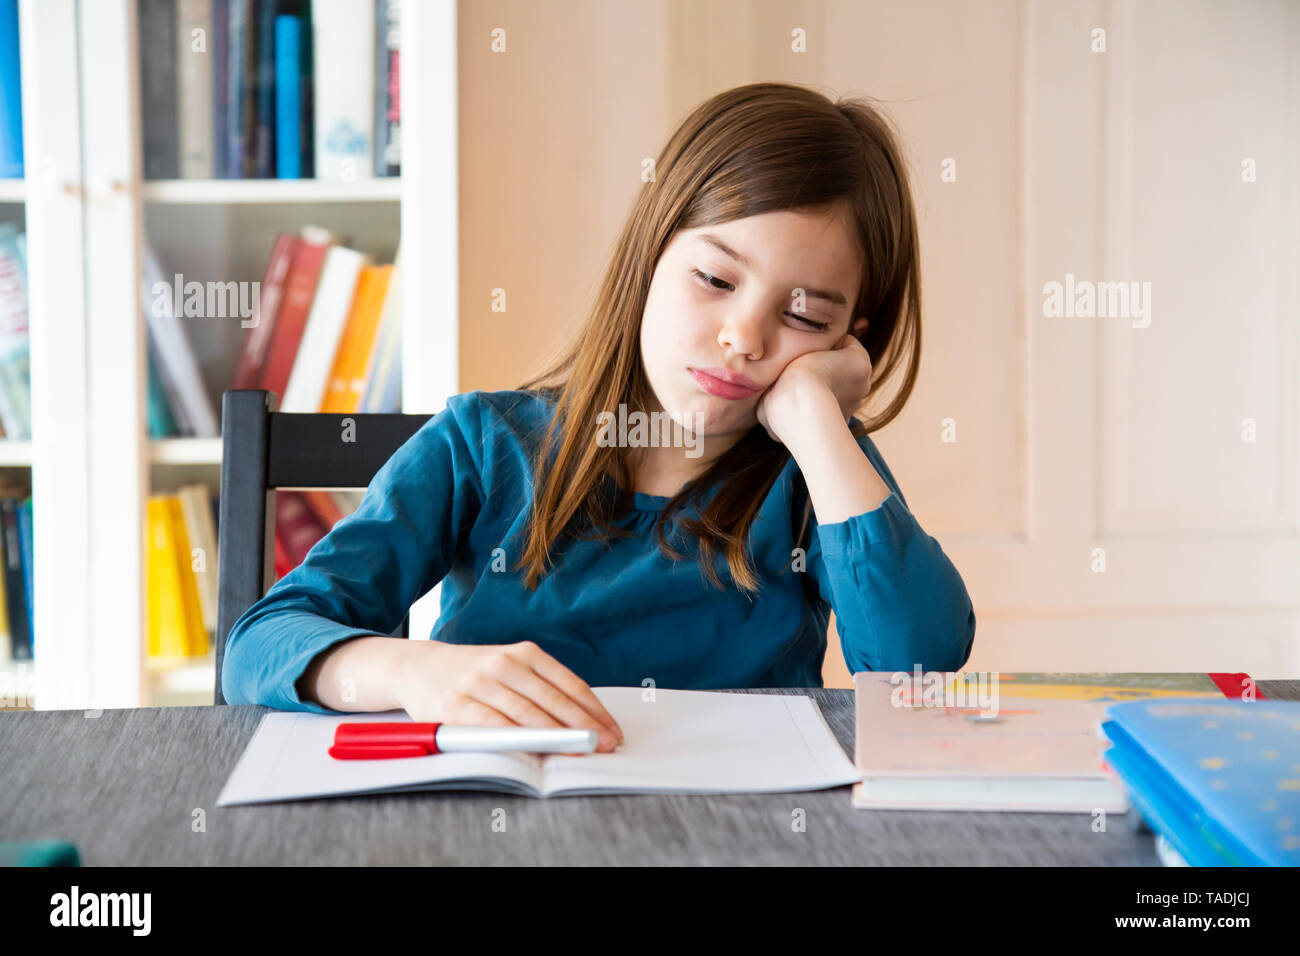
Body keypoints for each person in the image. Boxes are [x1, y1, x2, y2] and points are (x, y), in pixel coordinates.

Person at [221, 81, 976, 753]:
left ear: (849, 340)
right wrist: (412, 668)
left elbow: (917, 670)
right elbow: (259, 646)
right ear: (650, 258)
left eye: (805, 314)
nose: (744, 338)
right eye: (715, 278)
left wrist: (816, 419)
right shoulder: (484, 445)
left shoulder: (818, 473)